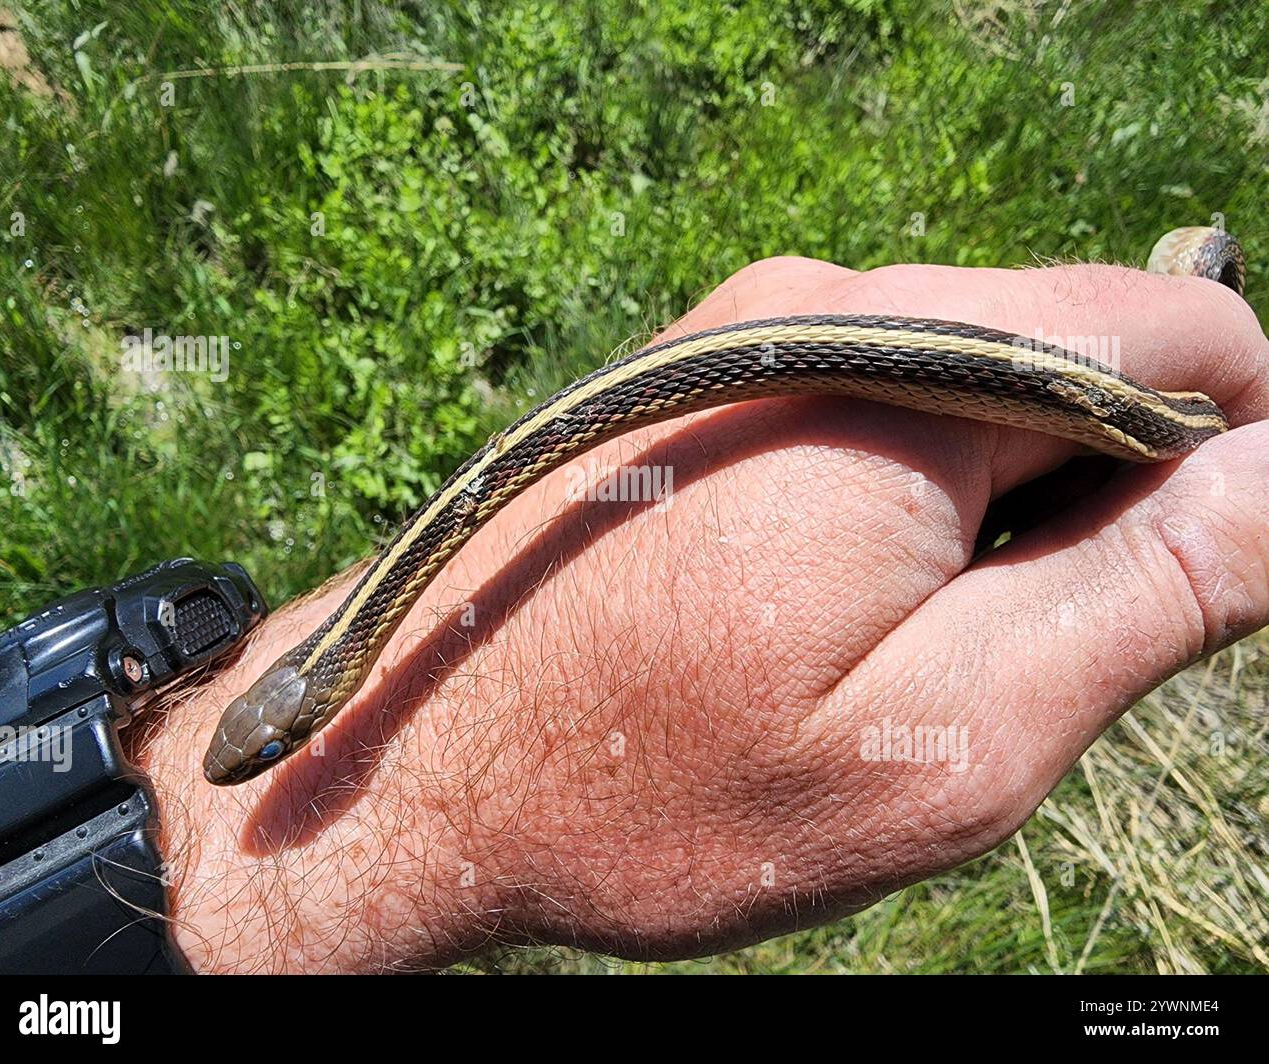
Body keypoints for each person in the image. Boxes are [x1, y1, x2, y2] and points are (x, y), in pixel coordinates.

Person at [133, 256, 1269, 972]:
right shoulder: (355, 638)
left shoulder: (362, 634)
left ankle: (1168, 378)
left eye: (270, 743)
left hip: (1118, 409)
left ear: (307, 703)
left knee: (1166, 426)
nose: (266, 759)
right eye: (274, 749)